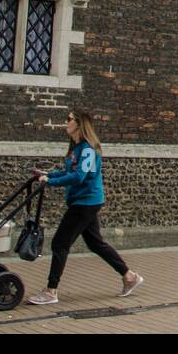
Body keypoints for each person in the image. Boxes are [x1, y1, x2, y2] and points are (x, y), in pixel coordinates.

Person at [29, 111, 142, 305]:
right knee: (95, 243)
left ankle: (51, 291)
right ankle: (129, 276)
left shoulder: (88, 149)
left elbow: (79, 176)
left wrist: (50, 182)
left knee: (60, 244)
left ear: (79, 124)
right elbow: (68, 171)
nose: (66, 122)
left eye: (69, 119)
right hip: (82, 201)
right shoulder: (77, 148)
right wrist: (48, 175)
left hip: (86, 202)